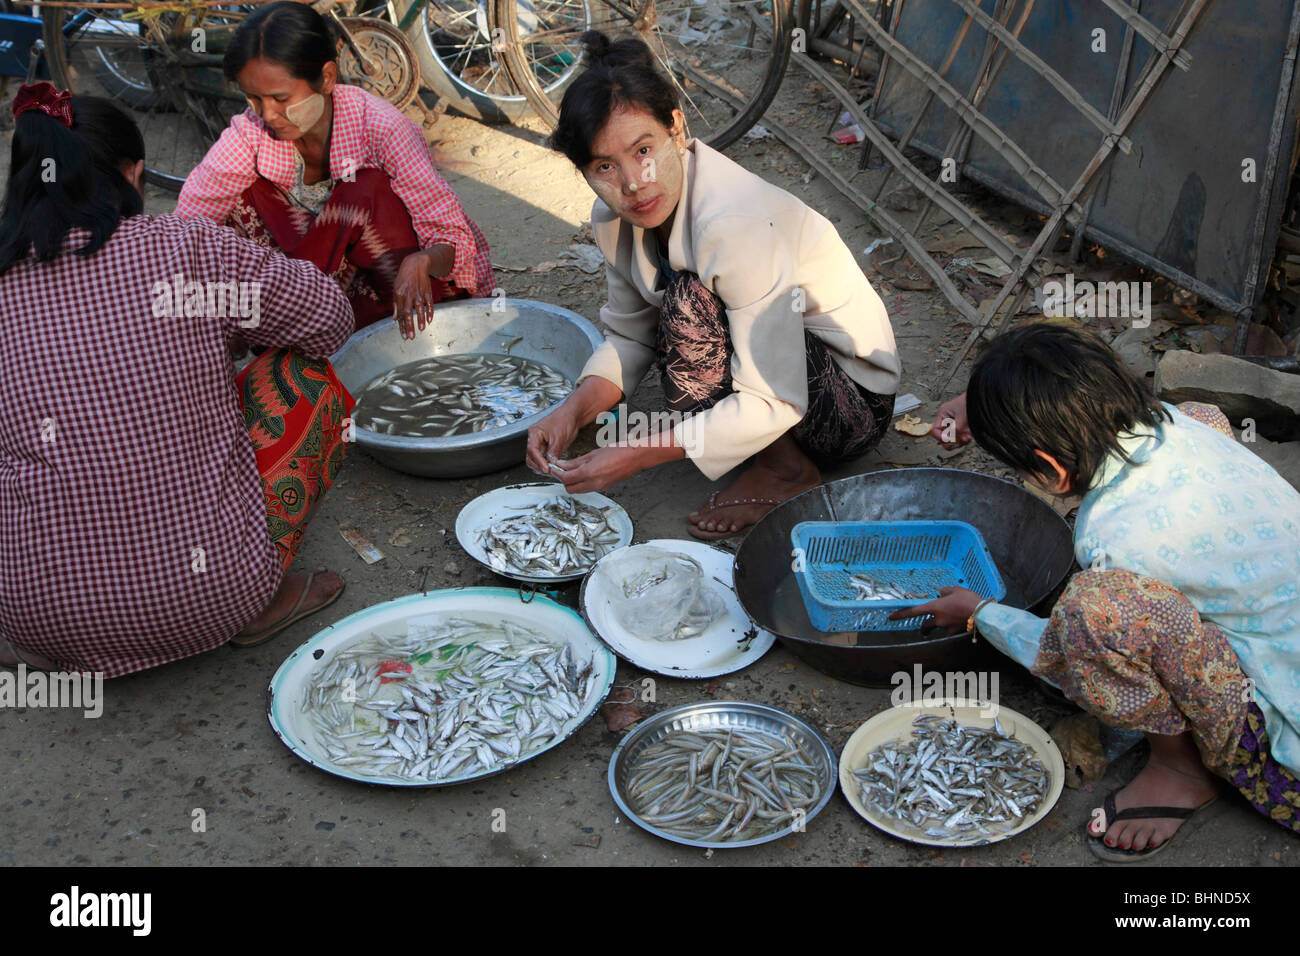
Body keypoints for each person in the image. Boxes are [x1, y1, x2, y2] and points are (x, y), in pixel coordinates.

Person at [904, 323, 1299, 859]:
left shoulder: (1115, 538)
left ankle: (1179, 769)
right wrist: (990, 403)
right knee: (1210, 418)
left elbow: (1060, 647)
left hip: (1287, 747)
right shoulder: (1181, 422)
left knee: (1096, 612)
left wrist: (980, 613)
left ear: (1049, 468)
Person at [0, 82, 356, 675]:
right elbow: (329, 320)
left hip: (36, 623)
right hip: (211, 597)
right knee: (299, 374)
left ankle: (46, 618)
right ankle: (259, 600)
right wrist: (231, 334)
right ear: (134, 175)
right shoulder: (187, 250)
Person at [525, 32, 901, 539]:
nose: (634, 183)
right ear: (586, 172)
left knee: (687, 305)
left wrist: (636, 453)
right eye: (605, 166)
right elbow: (630, 336)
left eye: (644, 150)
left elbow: (776, 400)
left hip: (846, 405)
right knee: (680, 310)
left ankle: (788, 470)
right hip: (786, 383)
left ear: (676, 129)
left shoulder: (733, 223)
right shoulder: (612, 220)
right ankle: (763, 453)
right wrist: (571, 413)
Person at [175, 1, 493, 340]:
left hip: (392, 286)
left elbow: (452, 237)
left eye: (280, 98)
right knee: (237, 200)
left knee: (364, 189)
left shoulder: (384, 129)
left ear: (327, 78)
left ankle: (377, 330)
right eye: (253, 99)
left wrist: (423, 261)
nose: (267, 114)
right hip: (314, 283)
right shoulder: (252, 130)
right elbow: (193, 215)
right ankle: (283, 320)